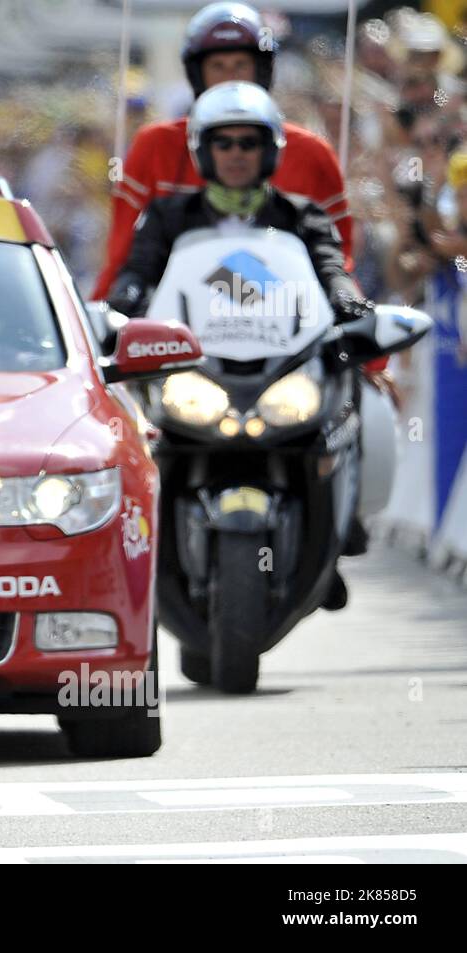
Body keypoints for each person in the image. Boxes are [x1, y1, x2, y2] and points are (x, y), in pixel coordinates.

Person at [107, 81, 373, 608]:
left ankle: (342, 533)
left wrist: (345, 295)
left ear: (269, 150)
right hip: (194, 368)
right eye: (223, 143)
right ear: (203, 152)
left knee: (364, 397)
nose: (235, 154)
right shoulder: (166, 215)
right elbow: (136, 271)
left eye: (248, 143)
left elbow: (329, 266)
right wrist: (125, 298)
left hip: (281, 367)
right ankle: (125, 541)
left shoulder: (302, 214)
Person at [91, 1, 352, 302]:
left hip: (287, 328)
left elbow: (336, 262)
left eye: (241, 65)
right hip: (175, 328)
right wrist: (105, 325)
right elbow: (125, 258)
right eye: (218, 67)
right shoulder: (155, 146)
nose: (230, 78)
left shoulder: (311, 154)